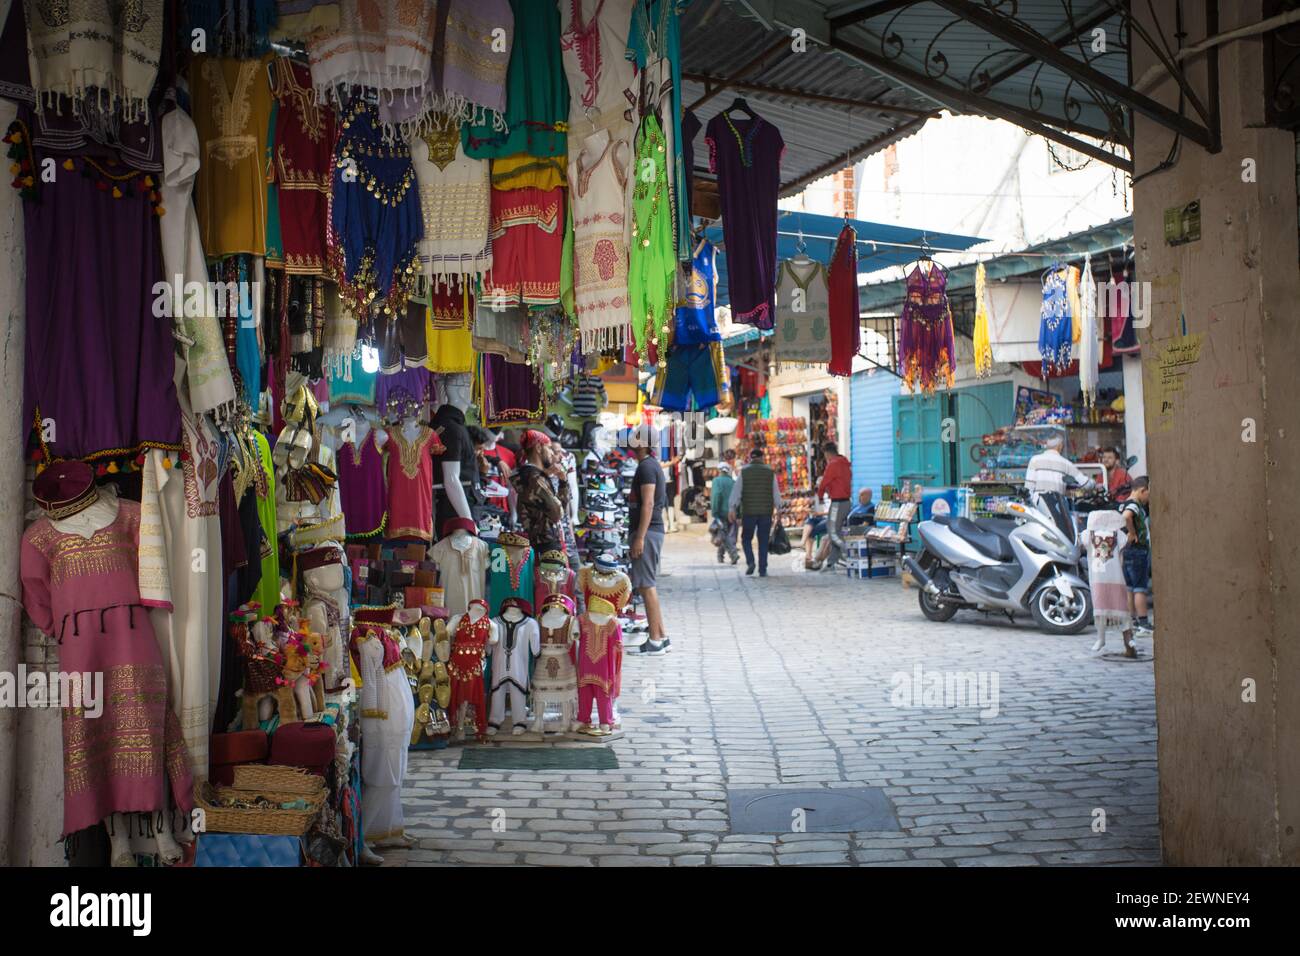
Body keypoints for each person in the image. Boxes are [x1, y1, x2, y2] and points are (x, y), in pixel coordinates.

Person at [627, 430, 670, 654]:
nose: (631, 439)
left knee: (646, 586)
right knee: (647, 585)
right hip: (650, 531)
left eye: (635, 436)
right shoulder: (649, 465)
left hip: (649, 531)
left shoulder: (646, 467)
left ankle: (654, 641)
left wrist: (640, 537)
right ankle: (661, 635)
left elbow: (648, 504)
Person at [729, 447, 782, 577]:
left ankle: (751, 562)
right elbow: (776, 492)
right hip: (765, 512)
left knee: (746, 539)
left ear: (751, 458)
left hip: (749, 512)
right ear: (762, 457)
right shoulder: (770, 472)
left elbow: (736, 492)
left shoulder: (744, 472)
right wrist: (779, 509)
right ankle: (762, 569)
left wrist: (732, 508)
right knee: (763, 540)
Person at [1121, 476, 1152, 636]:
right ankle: (1144, 623)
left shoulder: (1124, 502)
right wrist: (1133, 533)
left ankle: (1131, 620)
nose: (1149, 499)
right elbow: (1127, 516)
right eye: (1149, 494)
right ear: (1142, 490)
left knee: (1130, 588)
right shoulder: (1133, 504)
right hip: (1137, 550)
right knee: (1140, 588)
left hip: (1127, 551)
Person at [815, 442, 853, 570]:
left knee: (832, 533)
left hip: (837, 503)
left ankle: (851, 551)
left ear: (827, 453)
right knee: (835, 531)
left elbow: (824, 482)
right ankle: (831, 563)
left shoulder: (833, 464)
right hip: (847, 502)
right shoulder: (845, 463)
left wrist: (820, 497)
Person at [709, 463, 739, 564]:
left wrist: (714, 511)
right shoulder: (733, 482)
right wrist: (738, 512)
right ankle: (720, 556)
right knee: (724, 533)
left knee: (723, 535)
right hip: (732, 512)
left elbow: (716, 496)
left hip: (721, 512)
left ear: (719, 470)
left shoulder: (717, 481)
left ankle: (733, 554)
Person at [800, 498, 829, 570]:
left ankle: (809, 558)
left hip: (829, 519)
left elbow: (834, 512)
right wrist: (808, 510)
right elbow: (809, 507)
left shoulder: (836, 497)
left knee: (812, 530)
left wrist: (819, 513)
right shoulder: (820, 496)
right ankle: (804, 545)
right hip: (820, 517)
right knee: (810, 520)